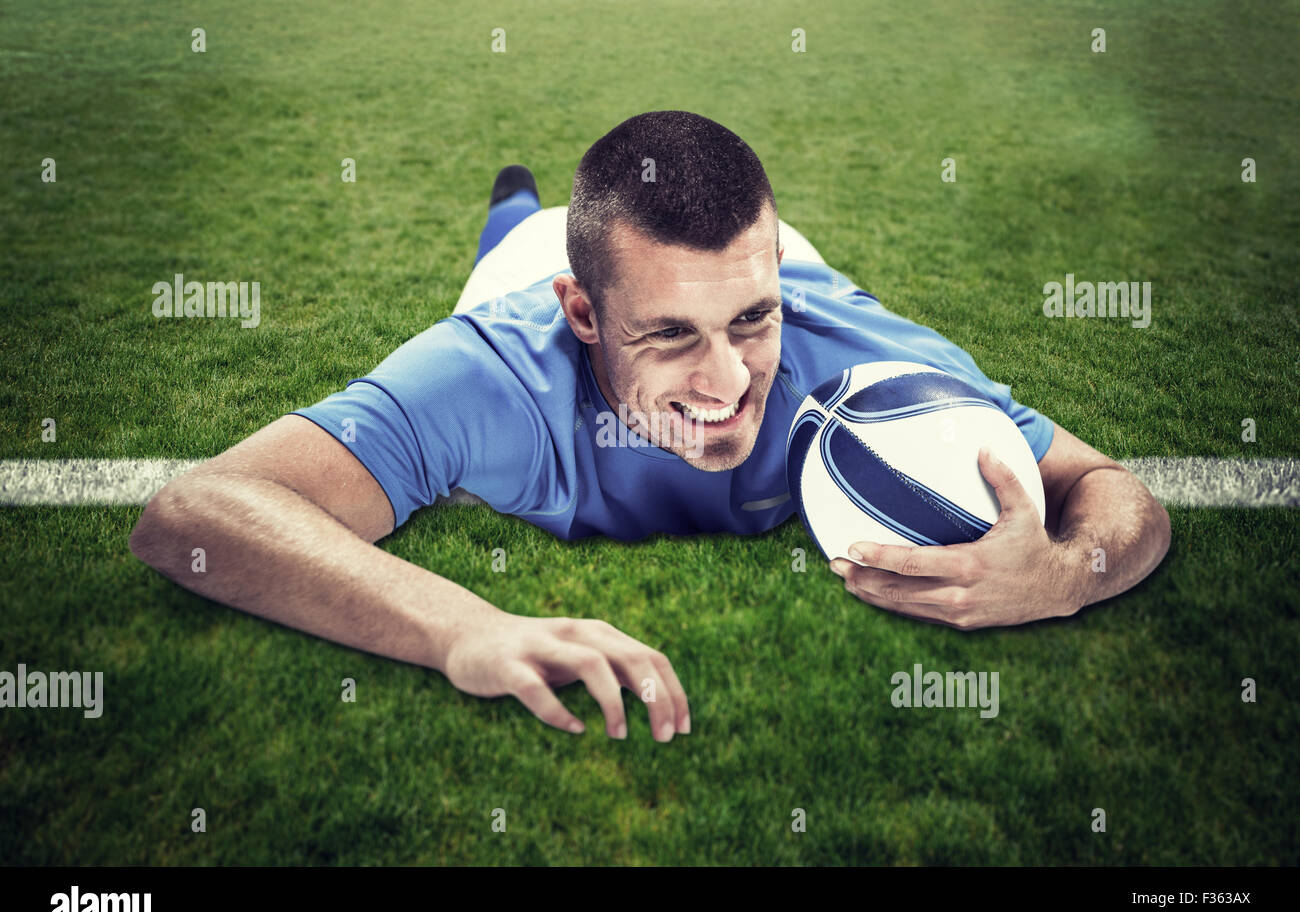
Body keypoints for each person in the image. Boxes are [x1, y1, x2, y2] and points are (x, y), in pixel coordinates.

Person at [129, 110, 1170, 742]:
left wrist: (1068, 572)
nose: (725, 381)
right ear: (584, 317)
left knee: (725, 295)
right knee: (512, 233)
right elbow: (195, 511)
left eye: (748, 323)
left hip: (788, 259)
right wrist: (463, 627)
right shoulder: (492, 374)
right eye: (671, 335)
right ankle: (512, 202)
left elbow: (1115, 492)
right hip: (527, 263)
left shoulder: (862, 358)